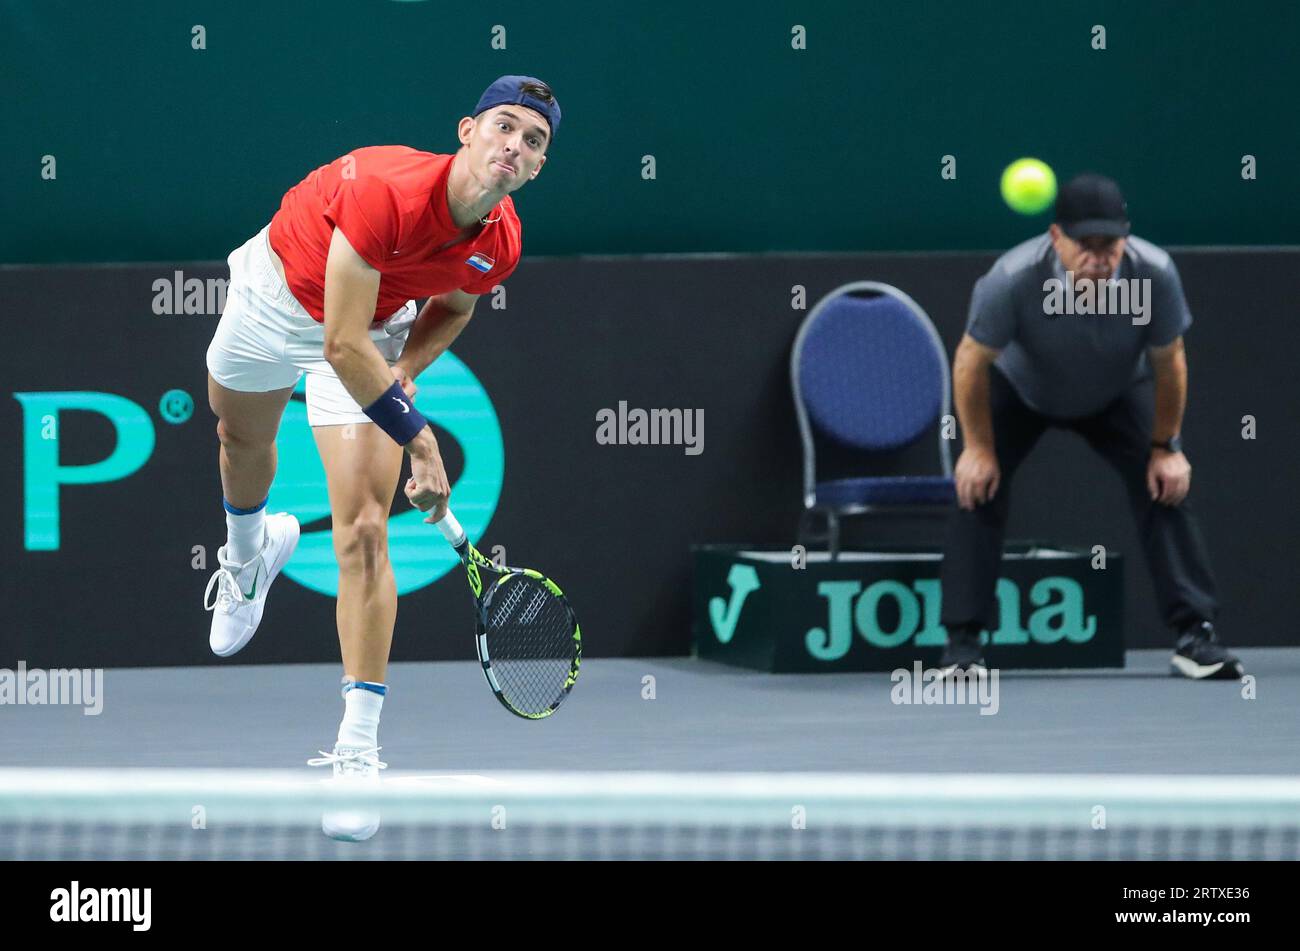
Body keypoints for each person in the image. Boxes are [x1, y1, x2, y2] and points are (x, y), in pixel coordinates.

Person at [201, 76, 559, 839]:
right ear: (467, 130)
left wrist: (403, 378)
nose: (515, 145)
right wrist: (418, 434)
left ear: (536, 168)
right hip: (281, 296)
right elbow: (337, 339)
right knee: (240, 439)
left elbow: (453, 305)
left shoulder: (500, 244)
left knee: (364, 529)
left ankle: (357, 750)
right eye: (504, 125)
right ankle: (247, 554)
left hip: (373, 328)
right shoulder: (386, 188)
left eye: (534, 141)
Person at [939, 173, 1243, 681]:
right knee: (977, 489)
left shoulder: (1155, 273)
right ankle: (963, 647)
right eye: (1086, 245)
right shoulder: (1012, 278)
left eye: (1111, 245)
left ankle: (1196, 637)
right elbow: (971, 360)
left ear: (1126, 239)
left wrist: (1166, 445)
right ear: (1056, 237)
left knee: (1165, 486)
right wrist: (977, 447)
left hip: (1116, 392)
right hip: (1022, 391)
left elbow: (1170, 361)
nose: (1099, 257)